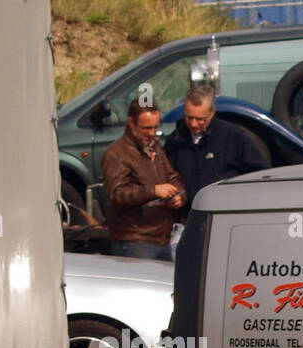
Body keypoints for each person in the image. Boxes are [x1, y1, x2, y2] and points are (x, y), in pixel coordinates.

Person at [164, 85, 268, 220]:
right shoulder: (175, 140)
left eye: (200, 119)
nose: (194, 124)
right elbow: (169, 176)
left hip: (224, 214)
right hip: (188, 217)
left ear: (212, 113)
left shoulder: (233, 136)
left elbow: (259, 173)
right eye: (189, 117)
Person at [101, 99, 185, 260]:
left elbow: (173, 177)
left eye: (155, 127)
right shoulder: (116, 154)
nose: (152, 133)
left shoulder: (155, 148)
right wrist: (153, 191)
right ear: (131, 123)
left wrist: (179, 196)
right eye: (146, 128)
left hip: (162, 237)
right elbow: (117, 193)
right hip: (135, 240)